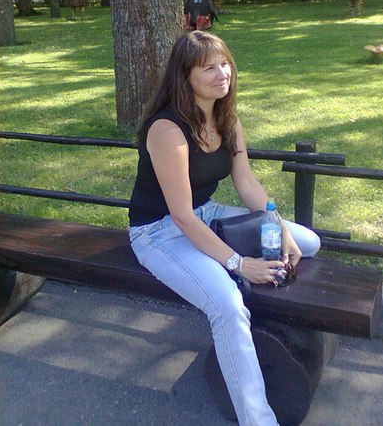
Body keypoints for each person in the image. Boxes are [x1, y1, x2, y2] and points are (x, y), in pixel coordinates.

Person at [129, 30, 320, 426]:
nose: (223, 74)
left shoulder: (227, 120)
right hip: (159, 232)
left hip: (207, 212)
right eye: (209, 68)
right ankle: (259, 420)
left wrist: (279, 226)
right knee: (228, 307)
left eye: (225, 64)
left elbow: (246, 182)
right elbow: (181, 216)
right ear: (185, 76)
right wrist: (239, 264)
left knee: (307, 241)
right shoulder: (167, 130)